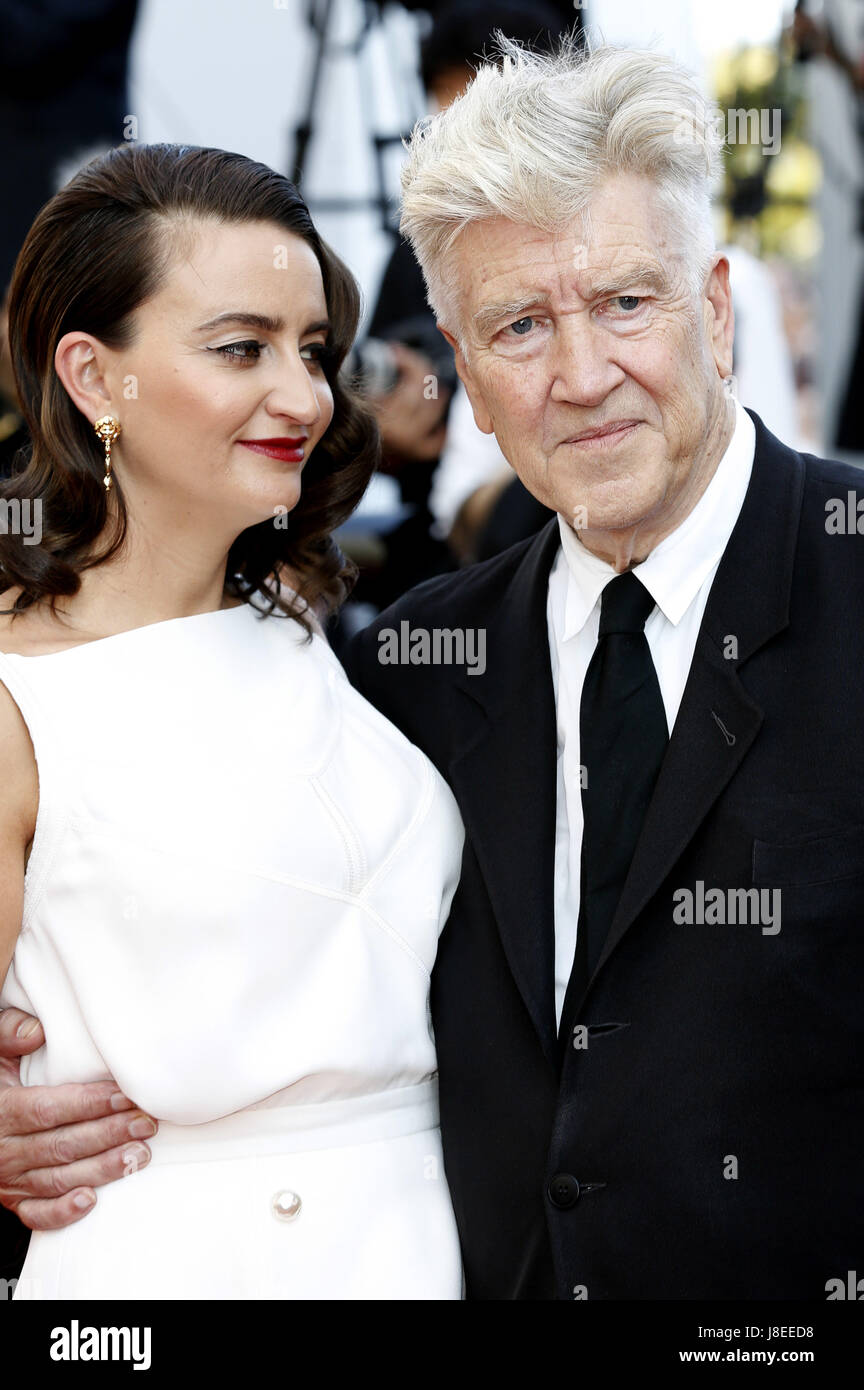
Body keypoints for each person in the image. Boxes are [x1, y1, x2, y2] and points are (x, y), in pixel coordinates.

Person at [4, 35, 863, 1303]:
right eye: (519, 325)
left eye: (628, 301)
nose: (581, 377)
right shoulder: (411, 668)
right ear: (465, 372)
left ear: (719, 310)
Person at [0, 142, 464, 1299]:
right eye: (241, 348)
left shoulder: (297, 622)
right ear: (93, 377)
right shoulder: (18, 696)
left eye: (313, 350)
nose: (306, 396)